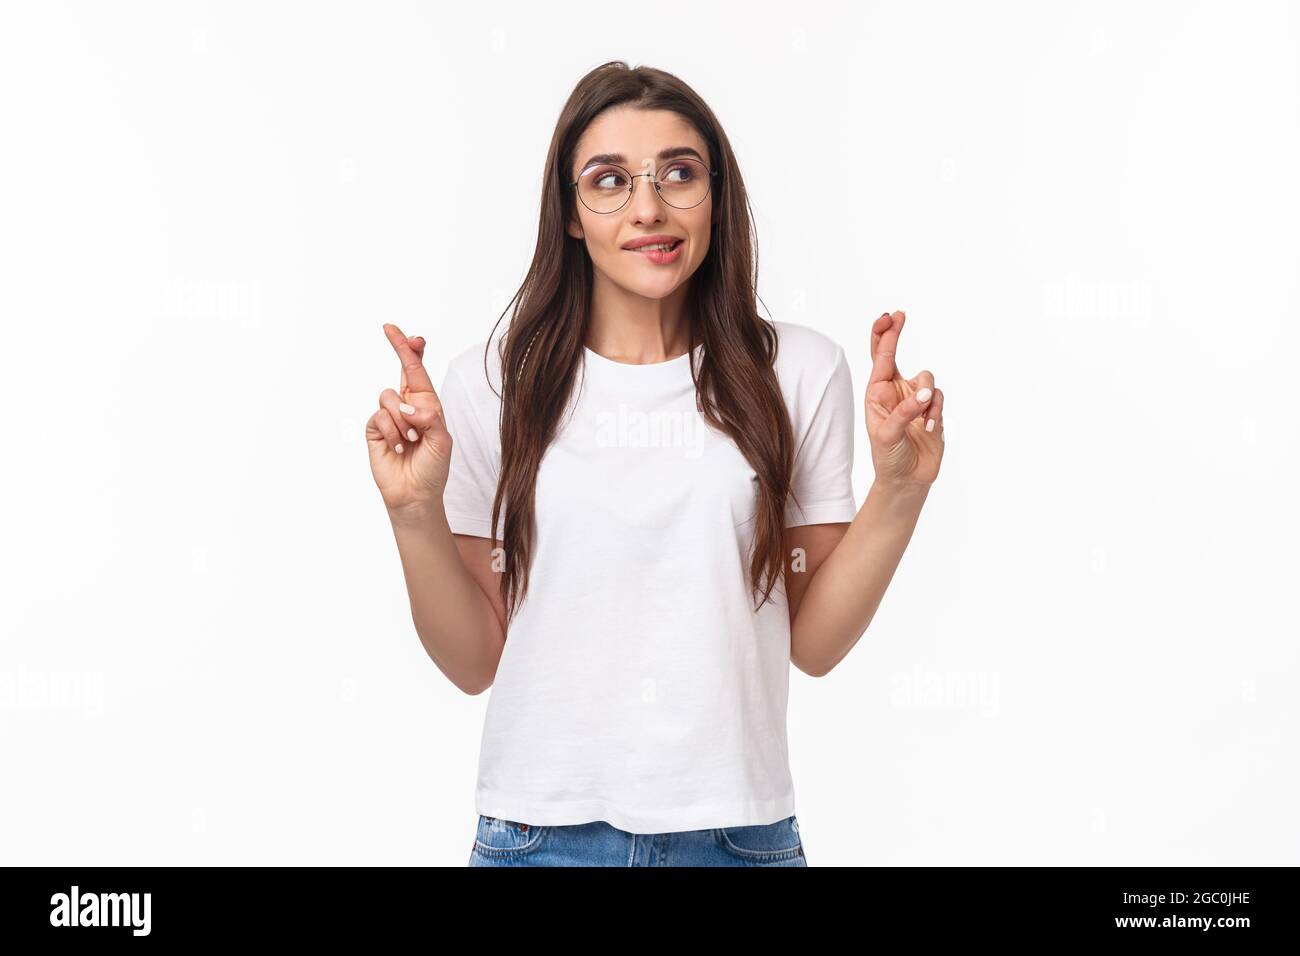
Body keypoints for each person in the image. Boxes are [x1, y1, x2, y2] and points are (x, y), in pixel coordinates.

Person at [365, 61, 945, 867]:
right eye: (609, 180)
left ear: (717, 194)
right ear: (569, 214)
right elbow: (473, 662)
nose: (649, 208)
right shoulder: (494, 383)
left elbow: (812, 643)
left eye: (679, 173)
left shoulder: (799, 373)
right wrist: (413, 513)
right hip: (538, 839)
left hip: (738, 838)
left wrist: (900, 490)